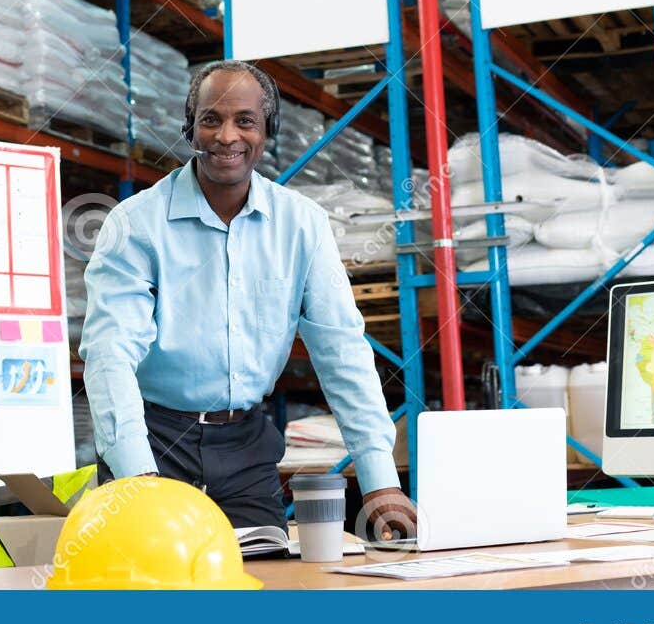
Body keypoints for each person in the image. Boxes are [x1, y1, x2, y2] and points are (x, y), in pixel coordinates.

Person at [79, 59, 417, 539]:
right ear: (190, 129)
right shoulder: (136, 224)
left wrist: (380, 481)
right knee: (153, 576)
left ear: (267, 131)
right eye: (210, 119)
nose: (226, 136)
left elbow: (342, 350)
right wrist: (137, 473)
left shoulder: (302, 225)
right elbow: (109, 352)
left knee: (261, 574)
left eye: (245, 120)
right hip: (154, 441)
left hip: (246, 450)